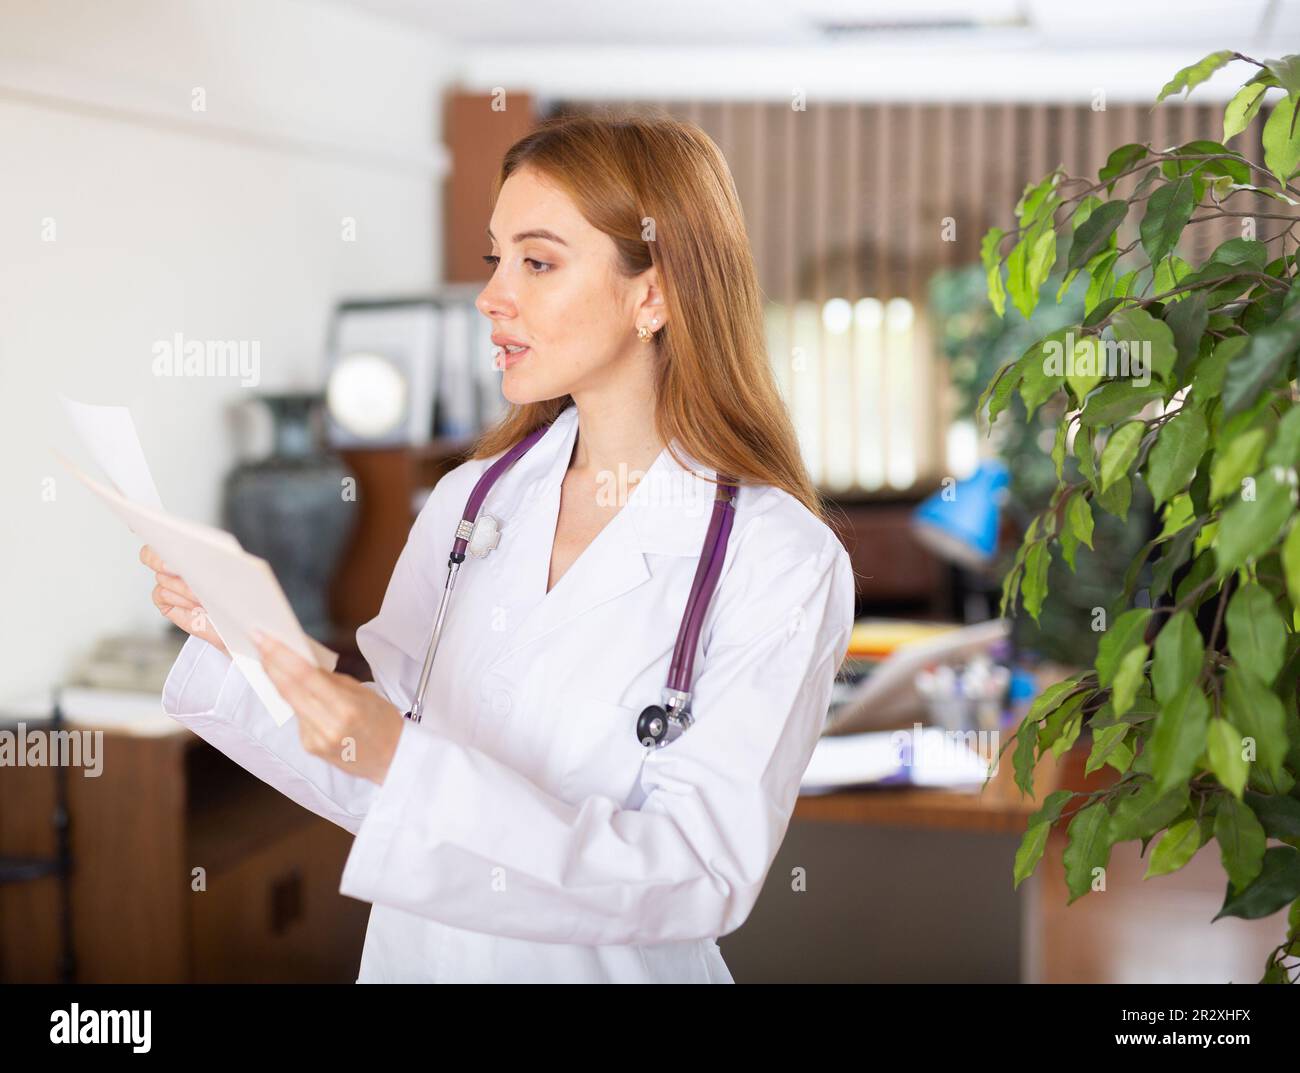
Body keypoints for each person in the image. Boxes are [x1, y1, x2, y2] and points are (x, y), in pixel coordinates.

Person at [145, 112, 857, 984]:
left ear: (655, 293)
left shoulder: (777, 559)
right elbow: (381, 779)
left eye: (539, 261)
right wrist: (254, 655)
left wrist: (400, 759)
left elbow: (698, 873)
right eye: (496, 259)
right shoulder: (469, 501)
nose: (492, 296)